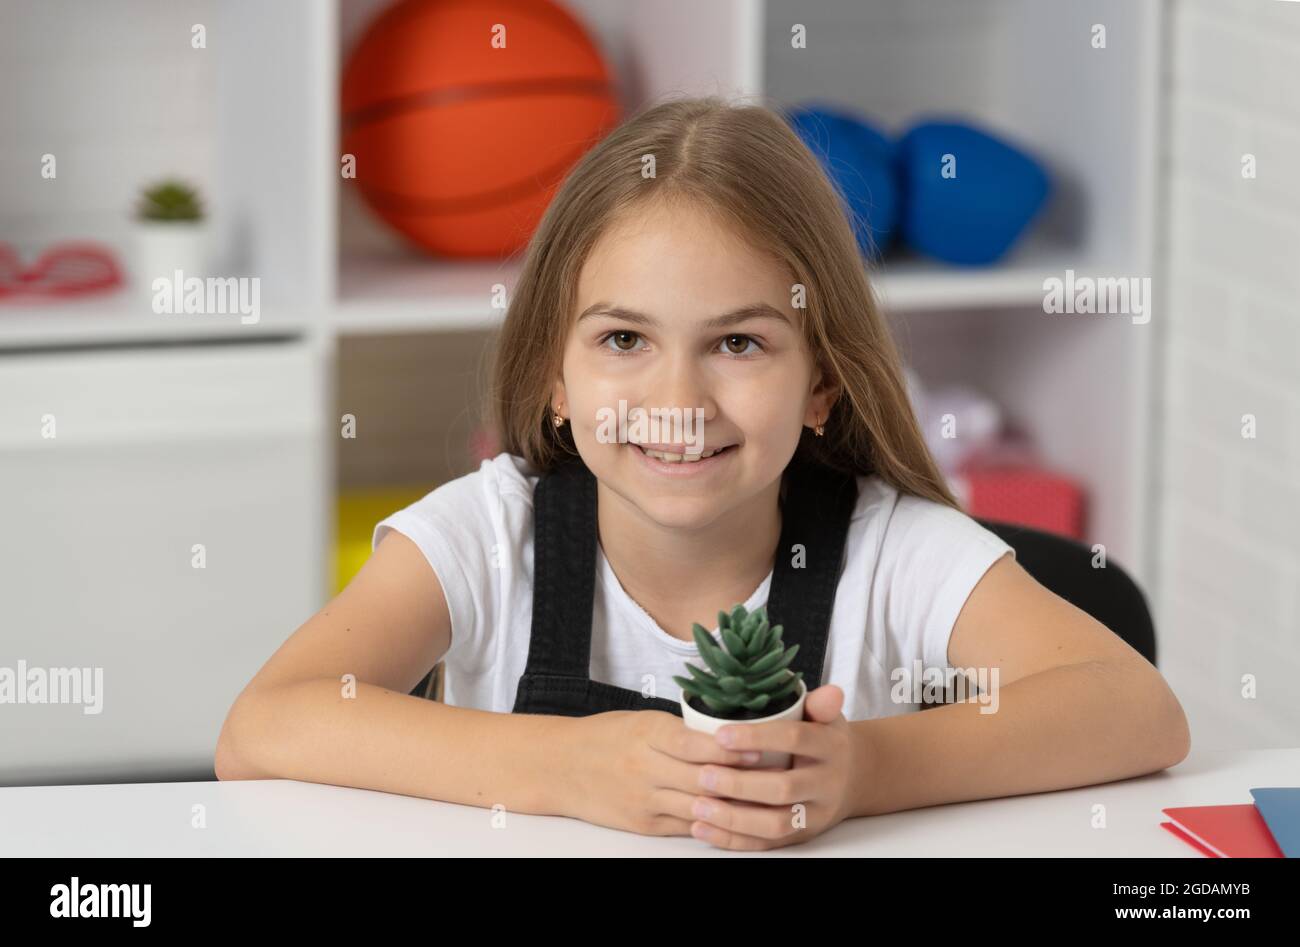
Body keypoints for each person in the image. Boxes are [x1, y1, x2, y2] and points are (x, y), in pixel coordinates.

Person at [216, 97, 1189, 851]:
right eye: (624, 337)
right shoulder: (485, 534)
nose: (677, 396)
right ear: (556, 376)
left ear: (821, 383)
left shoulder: (890, 546)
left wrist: (860, 768)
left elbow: (1135, 708)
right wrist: (565, 768)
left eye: (737, 341)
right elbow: (263, 727)